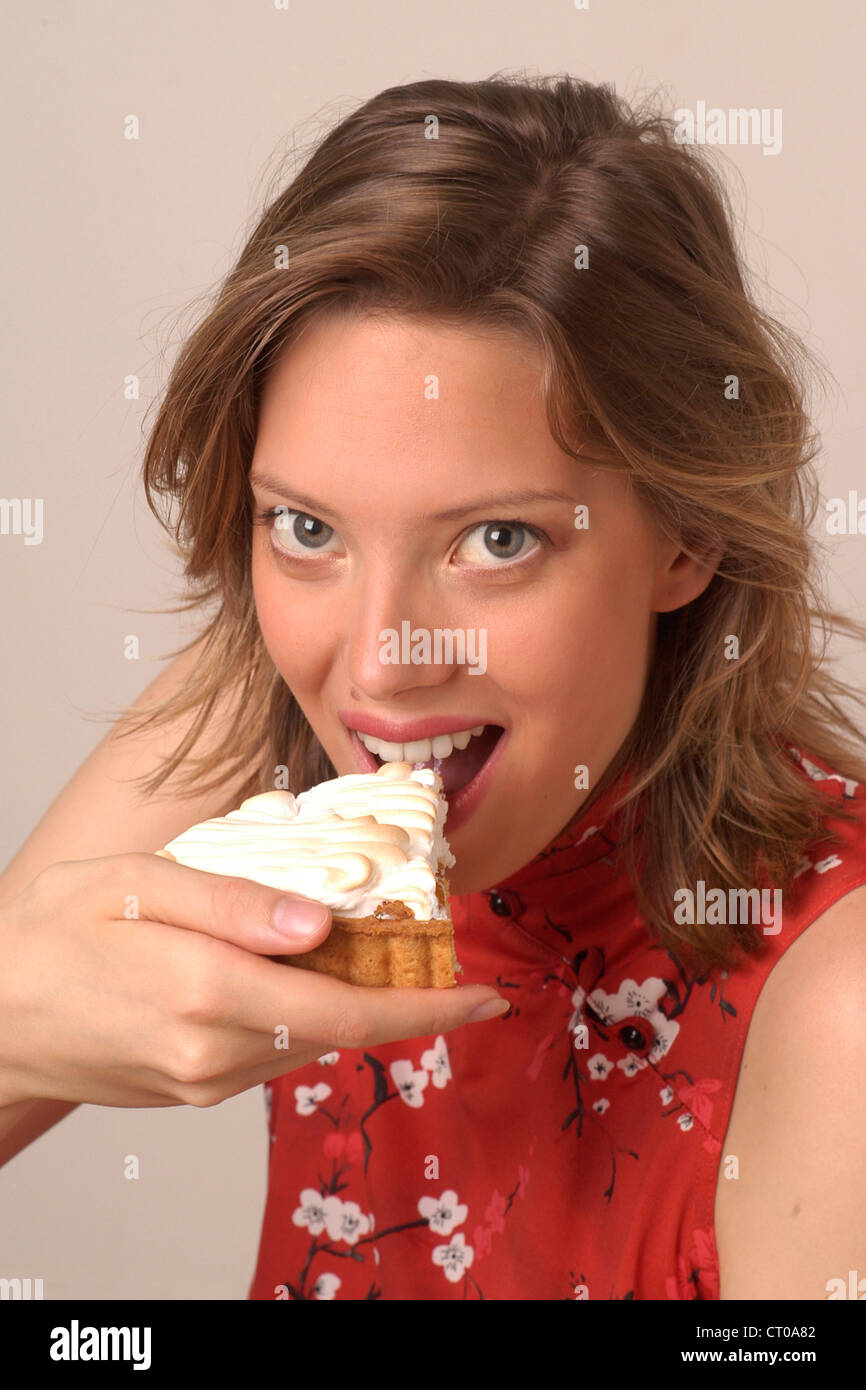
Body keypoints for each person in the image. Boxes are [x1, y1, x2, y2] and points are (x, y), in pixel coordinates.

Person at [2, 73, 865, 1301]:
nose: (373, 665)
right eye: (306, 529)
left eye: (495, 542)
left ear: (685, 536)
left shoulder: (839, 1002)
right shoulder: (254, 718)